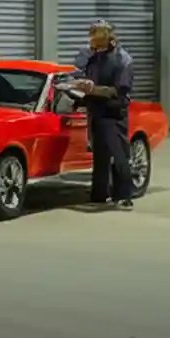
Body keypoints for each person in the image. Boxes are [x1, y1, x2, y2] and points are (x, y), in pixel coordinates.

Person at [73, 20, 135, 210]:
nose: (91, 39)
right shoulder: (92, 57)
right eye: (91, 35)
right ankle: (99, 194)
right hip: (96, 111)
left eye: (95, 35)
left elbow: (119, 91)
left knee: (118, 155)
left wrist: (93, 89)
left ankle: (124, 196)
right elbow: (80, 74)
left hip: (113, 112)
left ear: (106, 37)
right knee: (100, 156)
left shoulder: (122, 59)